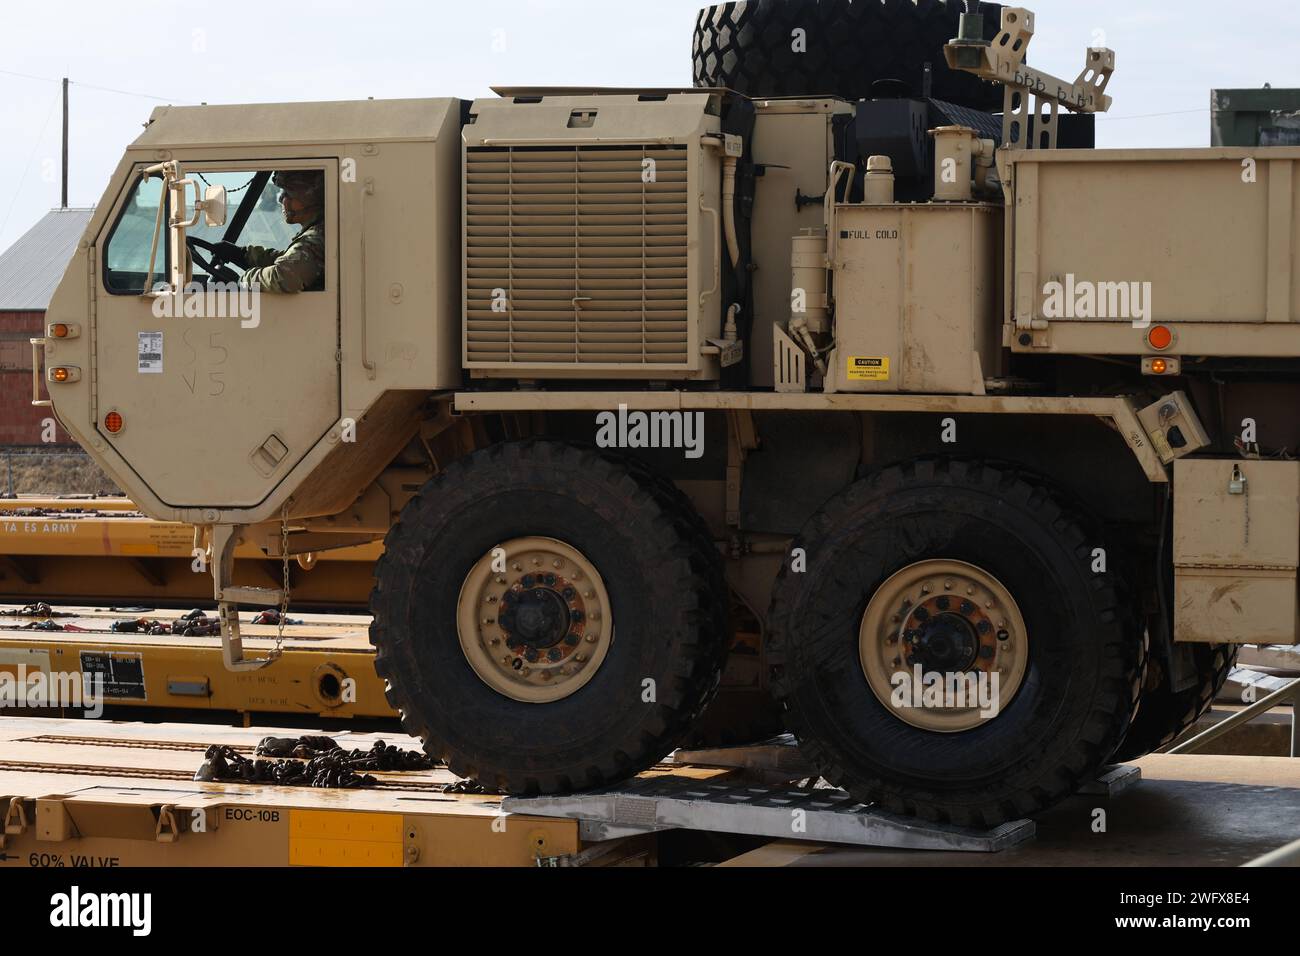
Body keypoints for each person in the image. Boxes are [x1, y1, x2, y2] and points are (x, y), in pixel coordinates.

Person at [214, 171, 325, 293]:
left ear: (307, 199)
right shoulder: (317, 234)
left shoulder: (315, 239)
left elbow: (284, 278)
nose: (281, 199)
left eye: (288, 193)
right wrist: (242, 255)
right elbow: (290, 259)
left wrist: (244, 279)